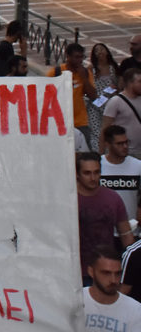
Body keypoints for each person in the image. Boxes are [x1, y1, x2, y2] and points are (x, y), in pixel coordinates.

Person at [77, 152, 134, 280]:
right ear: (77, 174)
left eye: (96, 172)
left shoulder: (113, 198)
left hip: (107, 270)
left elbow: (126, 236)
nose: (93, 177)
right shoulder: (69, 200)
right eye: (87, 173)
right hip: (76, 271)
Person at [82, 246, 141, 329]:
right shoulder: (75, 301)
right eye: (106, 273)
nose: (113, 280)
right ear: (91, 271)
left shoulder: (135, 310)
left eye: (117, 274)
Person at [55, 43, 100, 151]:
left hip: (80, 122)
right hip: (61, 123)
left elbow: (93, 96)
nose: (80, 60)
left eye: (82, 57)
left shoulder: (85, 72)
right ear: (68, 56)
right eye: (76, 57)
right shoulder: (56, 72)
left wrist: (84, 78)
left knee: (85, 154)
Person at [101, 125, 141, 227]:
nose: (125, 146)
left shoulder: (138, 166)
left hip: (131, 229)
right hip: (104, 231)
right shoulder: (97, 165)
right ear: (107, 144)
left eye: (126, 142)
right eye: (119, 144)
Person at [103, 68, 141, 157]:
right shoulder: (115, 101)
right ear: (130, 83)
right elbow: (105, 128)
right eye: (139, 81)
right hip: (126, 152)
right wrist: (102, 154)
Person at [91, 43, 120, 142]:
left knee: (111, 130)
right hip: (96, 104)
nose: (99, 52)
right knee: (96, 131)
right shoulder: (91, 68)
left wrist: (114, 90)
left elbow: (119, 85)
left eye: (102, 49)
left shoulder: (113, 68)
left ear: (107, 51)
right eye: (96, 51)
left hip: (111, 103)